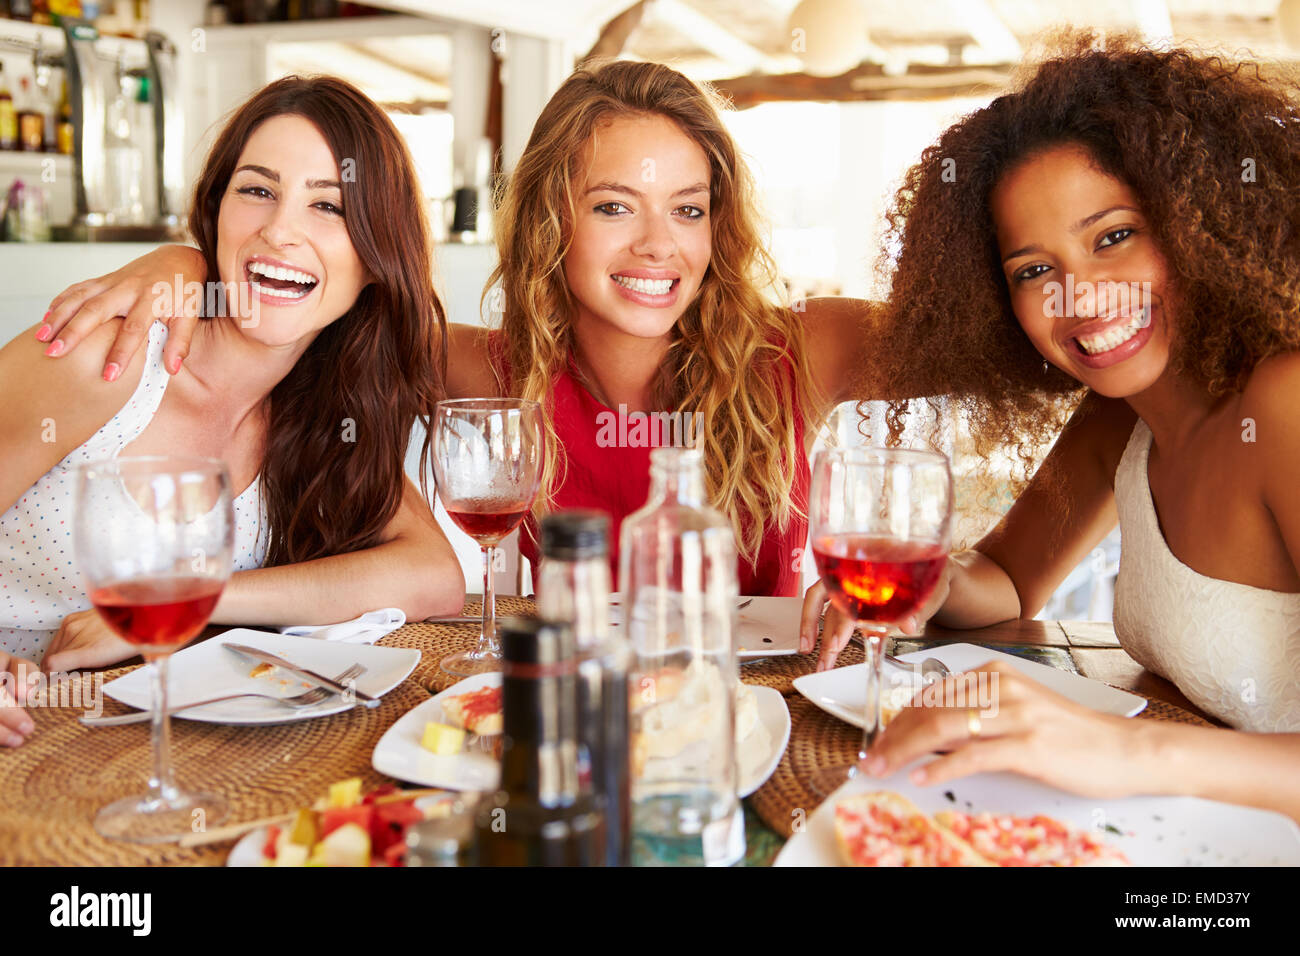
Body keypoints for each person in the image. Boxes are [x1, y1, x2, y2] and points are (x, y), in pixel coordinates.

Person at [37, 60, 899, 597]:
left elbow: (1014, 352)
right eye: (612, 205)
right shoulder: (480, 370)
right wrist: (185, 265)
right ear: (550, 224)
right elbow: (318, 308)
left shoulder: (805, 349)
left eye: (688, 209)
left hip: (773, 721)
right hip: (569, 721)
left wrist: (1017, 572)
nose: (657, 246)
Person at [809, 36, 1300, 821]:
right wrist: (918, 577)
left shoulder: (1285, 402)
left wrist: (1116, 750)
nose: (1081, 294)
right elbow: (1007, 577)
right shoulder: (1124, 416)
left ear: (1199, 222)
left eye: (1113, 236)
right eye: (1033, 271)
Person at [0, 76, 465, 746]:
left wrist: (191, 600)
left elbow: (433, 577)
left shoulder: (323, 412)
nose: (280, 230)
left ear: (375, 259)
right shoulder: (108, 356)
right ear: (216, 211)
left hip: (140, 757)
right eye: (257, 190)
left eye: (328, 207)